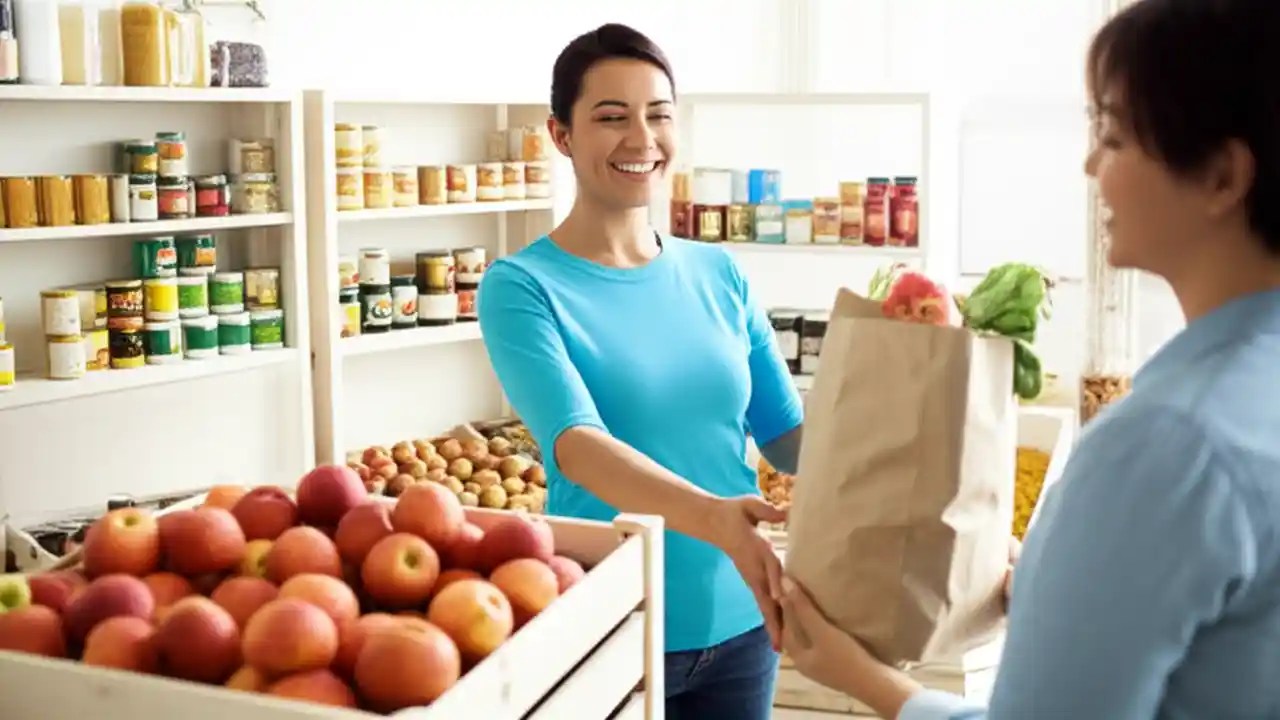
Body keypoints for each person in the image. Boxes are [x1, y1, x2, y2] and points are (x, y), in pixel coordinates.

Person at [779, 0, 1280, 717]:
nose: (1089, 166)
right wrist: (1060, 586)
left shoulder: (1167, 442)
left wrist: (865, 678)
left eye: (1111, 136)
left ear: (1224, 178)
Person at [476, 23, 802, 719]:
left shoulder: (719, 272)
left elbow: (787, 436)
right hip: (610, 621)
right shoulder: (522, 286)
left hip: (745, 619)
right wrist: (715, 519)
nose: (641, 139)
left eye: (658, 115)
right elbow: (577, 446)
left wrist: (907, 431)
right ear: (560, 135)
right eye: (610, 117)